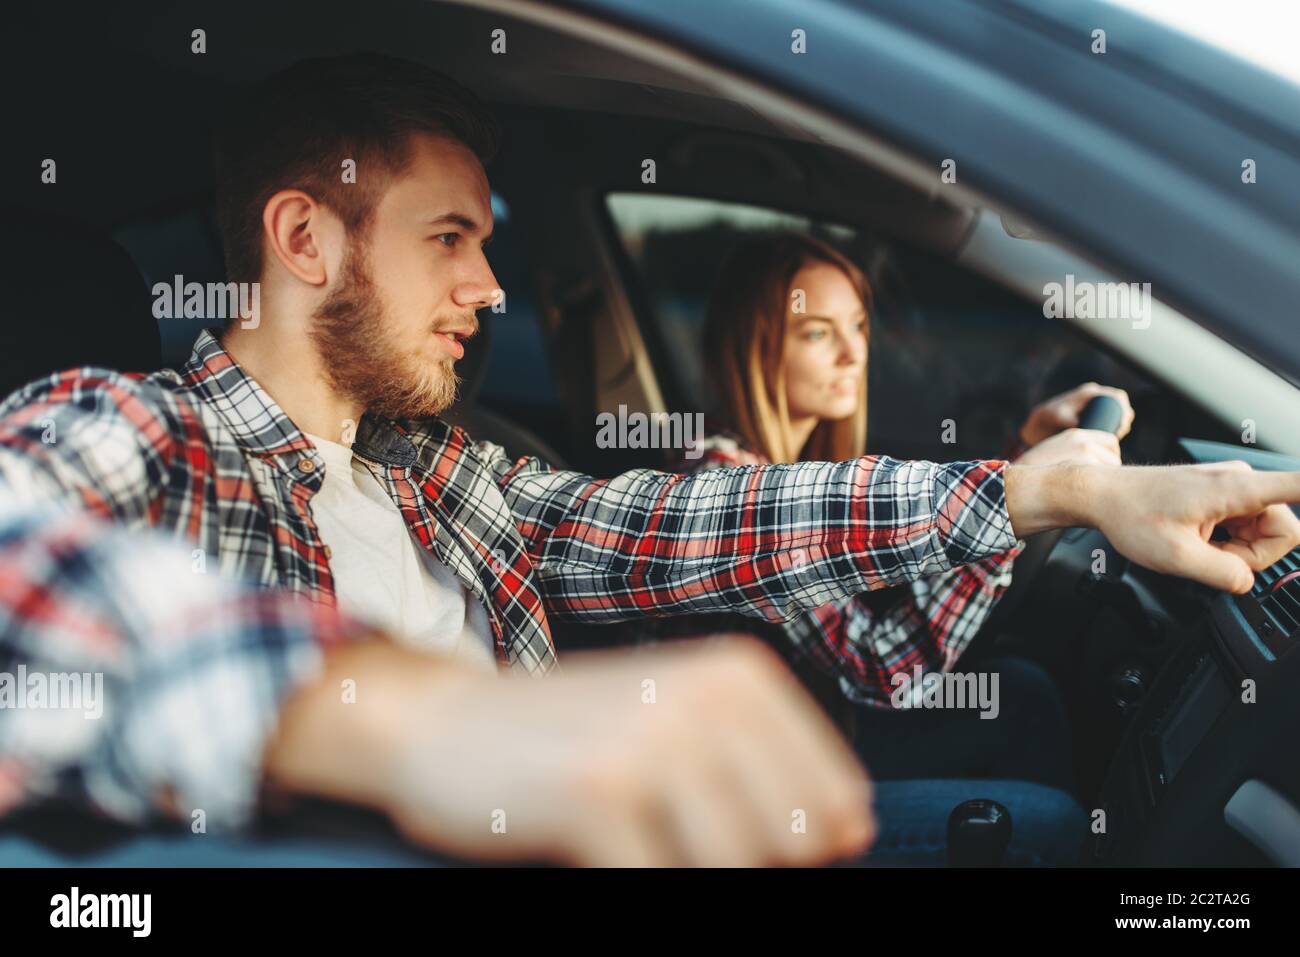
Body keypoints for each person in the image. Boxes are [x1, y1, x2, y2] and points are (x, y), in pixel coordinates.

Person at [2, 53, 1298, 866]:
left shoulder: (437, 478)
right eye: (450, 238)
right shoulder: (144, 431)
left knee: (1044, 833)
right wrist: (401, 715)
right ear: (304, 238)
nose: (490, 284)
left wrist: (1056, 488)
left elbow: (701, 520)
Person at [682, 233, 1134, 791]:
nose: (853, 353)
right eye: (818, 332)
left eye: (858, 326)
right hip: (751, 789)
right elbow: (881, 672)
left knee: (1020, 692)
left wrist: (1022, 453)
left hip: (808, 731)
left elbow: (906, 543)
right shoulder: (732, 484)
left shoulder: (780, 468)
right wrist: (1020, 503)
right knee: (1052, 821)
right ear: (753, 345)